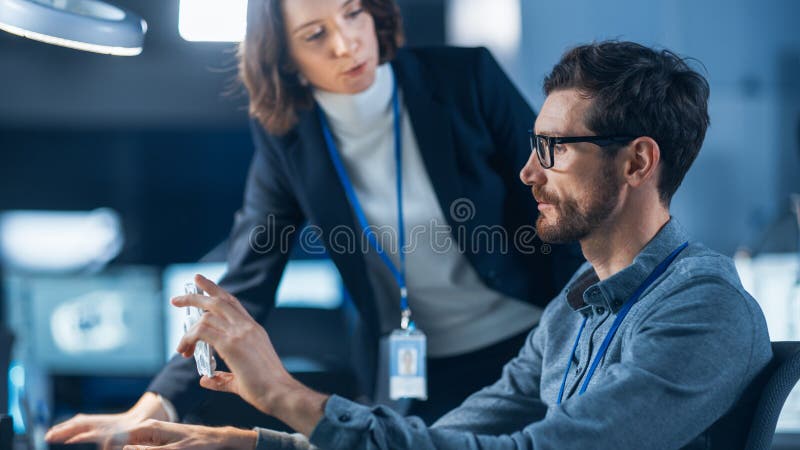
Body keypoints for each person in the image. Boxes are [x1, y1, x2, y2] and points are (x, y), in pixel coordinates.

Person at [117, 40, 773, 450]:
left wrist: (286, 394)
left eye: (553, 150)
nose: (527, 173)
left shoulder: (702, 311)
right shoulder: (571, 309)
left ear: (636, 163)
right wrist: (255, 443)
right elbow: (438, 441)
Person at [45, 0, 582, 444]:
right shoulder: (290, 139)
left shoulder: (466, 78)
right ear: (287, 61)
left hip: (532, 339)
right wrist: (154, 402)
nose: (346, 44)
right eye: (315, 35)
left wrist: (592, 327)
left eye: (353, 15)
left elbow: (559, 201)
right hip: (416, 372)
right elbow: (247, 281)